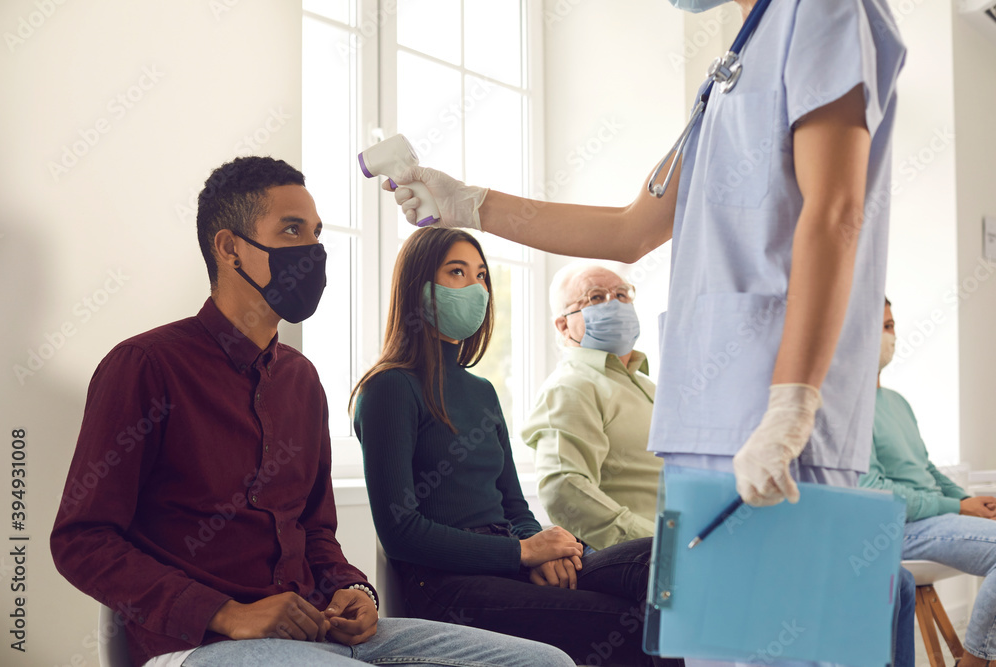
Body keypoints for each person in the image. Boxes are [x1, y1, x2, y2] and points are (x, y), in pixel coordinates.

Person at [385, 1, 905, 663]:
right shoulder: (733, 66)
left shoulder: (822, 10)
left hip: (778, 417)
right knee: (719, 652)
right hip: (711, 428)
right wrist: (469, 203)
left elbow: (835, 210)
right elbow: (630, 231)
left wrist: (792, 403)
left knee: (789, 650)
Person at [49, 157, 574, 667]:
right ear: (230, 248)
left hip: (318, 631)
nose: (314, 250)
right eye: (292, 231)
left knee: (547, 662)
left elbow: (316, 530)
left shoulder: (300, 380)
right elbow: (82, 541)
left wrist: (352, 588)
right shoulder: (145, 365)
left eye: (317, 233)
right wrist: (227, 613)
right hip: (201, 644)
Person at [352, 227, 683, 667]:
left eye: (482, 276)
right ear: (418, 289)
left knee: (659, 563)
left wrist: (537, 548)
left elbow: (513, 503)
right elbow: (401, 533)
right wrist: (522, 553)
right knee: (636, 622)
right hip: (448, 588)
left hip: (510, 564)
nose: (476, 288)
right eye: (457, 272)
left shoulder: (482, 391)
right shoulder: (389, 389)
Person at [860, 297, 996, 667]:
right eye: (882, 327)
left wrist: (969, 500)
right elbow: (875, 489)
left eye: (892, 326)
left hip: (936, 518)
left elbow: (927, 470)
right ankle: (973, 662)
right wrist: (956, 506)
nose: (891, 336)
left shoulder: (897, 402)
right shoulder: (851, 410)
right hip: (902, 526)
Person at [521, 262, 662, 550]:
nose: (616, 303)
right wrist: (657, 544)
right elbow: (563, 489)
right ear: (562, 324)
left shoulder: (650, 387)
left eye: (623, 295)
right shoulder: (571, 386)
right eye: (596, 297)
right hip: (639, 556)